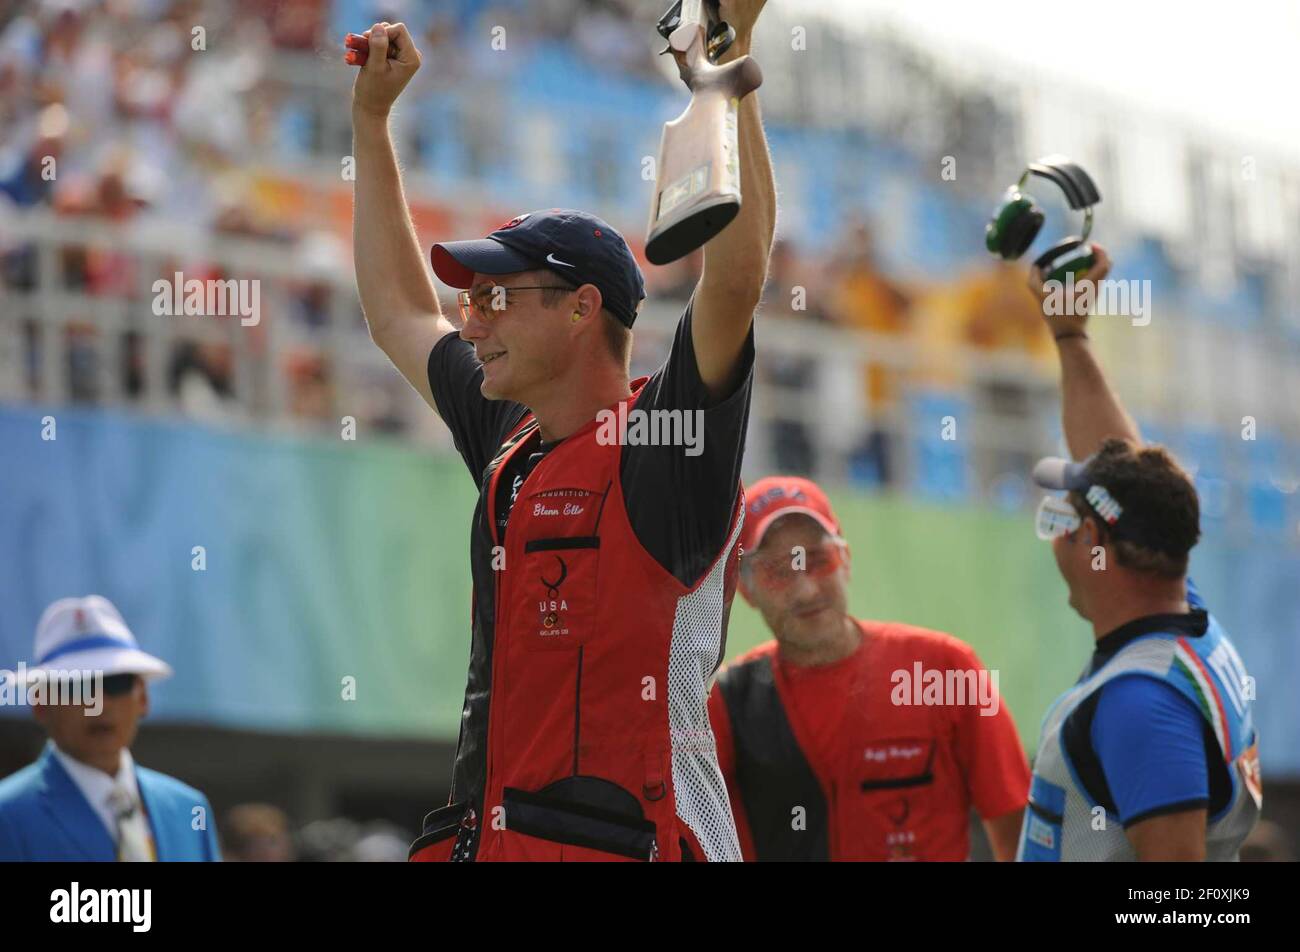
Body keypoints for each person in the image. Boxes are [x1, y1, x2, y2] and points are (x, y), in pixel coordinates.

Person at [349, 4, 776, 863]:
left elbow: (734, 282)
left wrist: (728, 68)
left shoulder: (668, 442)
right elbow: (398, 311)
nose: (470, 322)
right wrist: (370, 119)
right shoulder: (513, 435)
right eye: (469, 301)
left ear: (585, 309)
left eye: (496, 297)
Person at [1018, 247, 1262, 861]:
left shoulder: (1142, 705)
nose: (1054, 538)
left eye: (1061, 522)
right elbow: (1119, 463)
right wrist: (1070, 334)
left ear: (1097, 547)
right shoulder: (1179, 618)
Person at [709, 476, 1031, 861]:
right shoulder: (726, 702)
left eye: (818, 559)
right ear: (745, 590)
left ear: (845, 560)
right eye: (779, 570)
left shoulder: (945, 671)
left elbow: (1022, 837)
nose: (806, 589)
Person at [0, 595, 221, 861]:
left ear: (142, 698)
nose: (99, 702)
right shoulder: (9, 818)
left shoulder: (189, 811)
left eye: (116, 683)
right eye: (77, 686)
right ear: (40, 704)